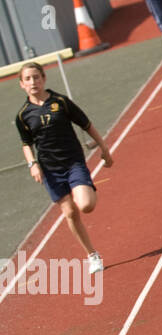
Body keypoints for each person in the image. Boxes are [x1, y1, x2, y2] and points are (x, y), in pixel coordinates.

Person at [14, 61, 114, 274]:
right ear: (22, 84)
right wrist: (32, 164)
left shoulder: (61, 102)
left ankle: (85, 188)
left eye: (36, 77)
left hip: (73, 162)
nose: (33, 82)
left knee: (86, 205)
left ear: (44, 79)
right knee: (69, 211)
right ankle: (92, 255)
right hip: (50, 169)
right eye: (28, 79)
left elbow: (86, 124)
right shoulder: (23, 115)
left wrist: (104, 148)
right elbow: (26, 143)